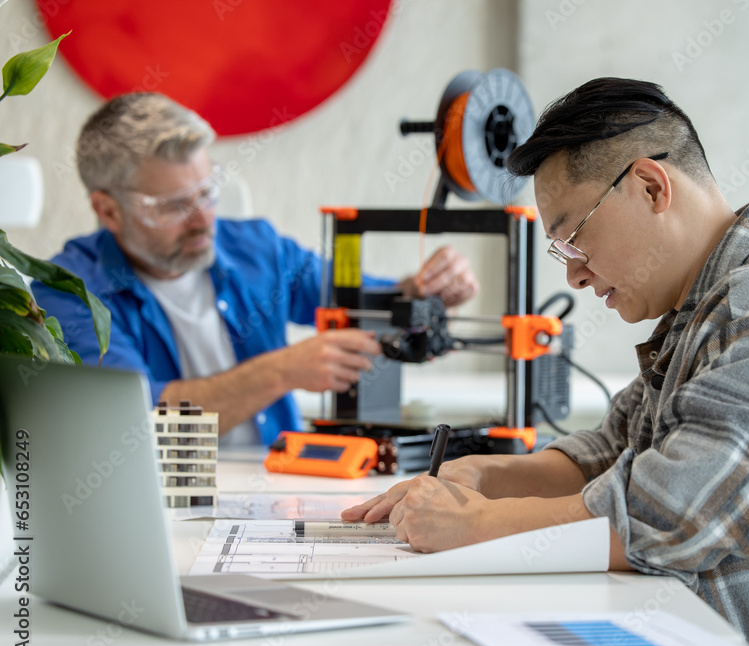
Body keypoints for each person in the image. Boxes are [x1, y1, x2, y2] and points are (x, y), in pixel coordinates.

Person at [343, 78, 749, 646]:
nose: (574, 275)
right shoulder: (704, 308)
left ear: (651, 187)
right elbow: (612, 451)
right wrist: (487, 476)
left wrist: (478, 524)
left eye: (573, 237)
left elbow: (675, 515)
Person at [33, 92, 479, 447]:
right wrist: (280, 371)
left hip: (279, 484)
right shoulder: (69, 293)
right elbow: (135, 423)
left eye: (207, 191)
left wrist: (426, 289)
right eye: (174, 206)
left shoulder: (257, 249)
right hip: (162, 504)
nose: (203, 219)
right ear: (108, 211)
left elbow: (364, 302)